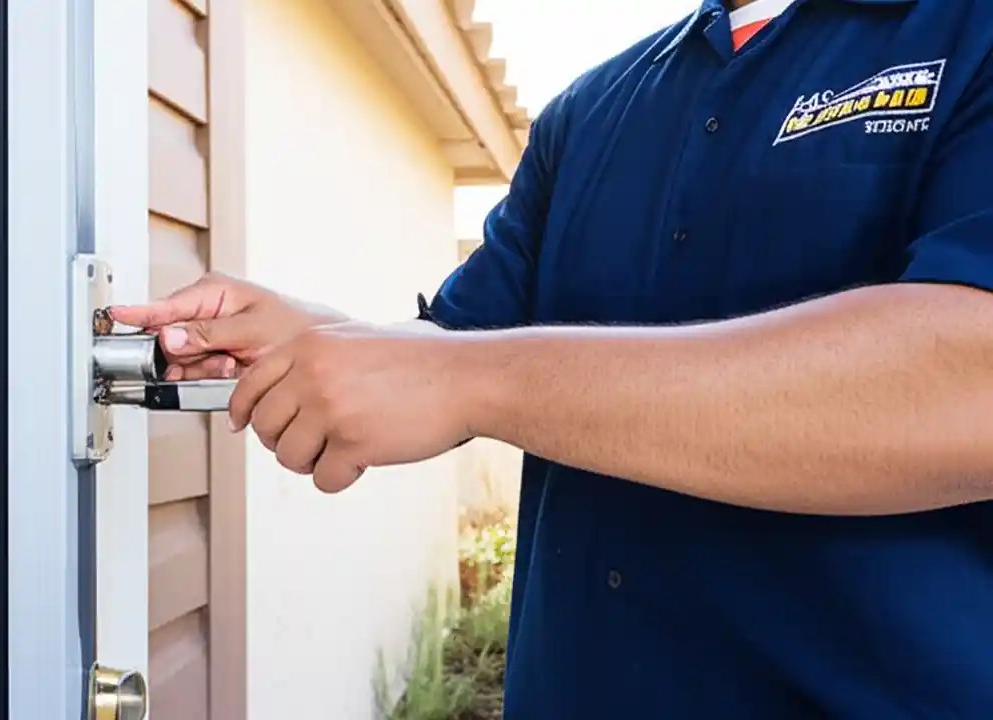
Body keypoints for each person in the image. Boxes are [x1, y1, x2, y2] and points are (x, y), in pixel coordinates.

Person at [113, 0, 993, 716]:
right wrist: (317, 345)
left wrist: (463, 379)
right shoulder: (593, 111)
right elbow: (458, 353)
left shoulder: (966, 32)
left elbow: (970, 383)